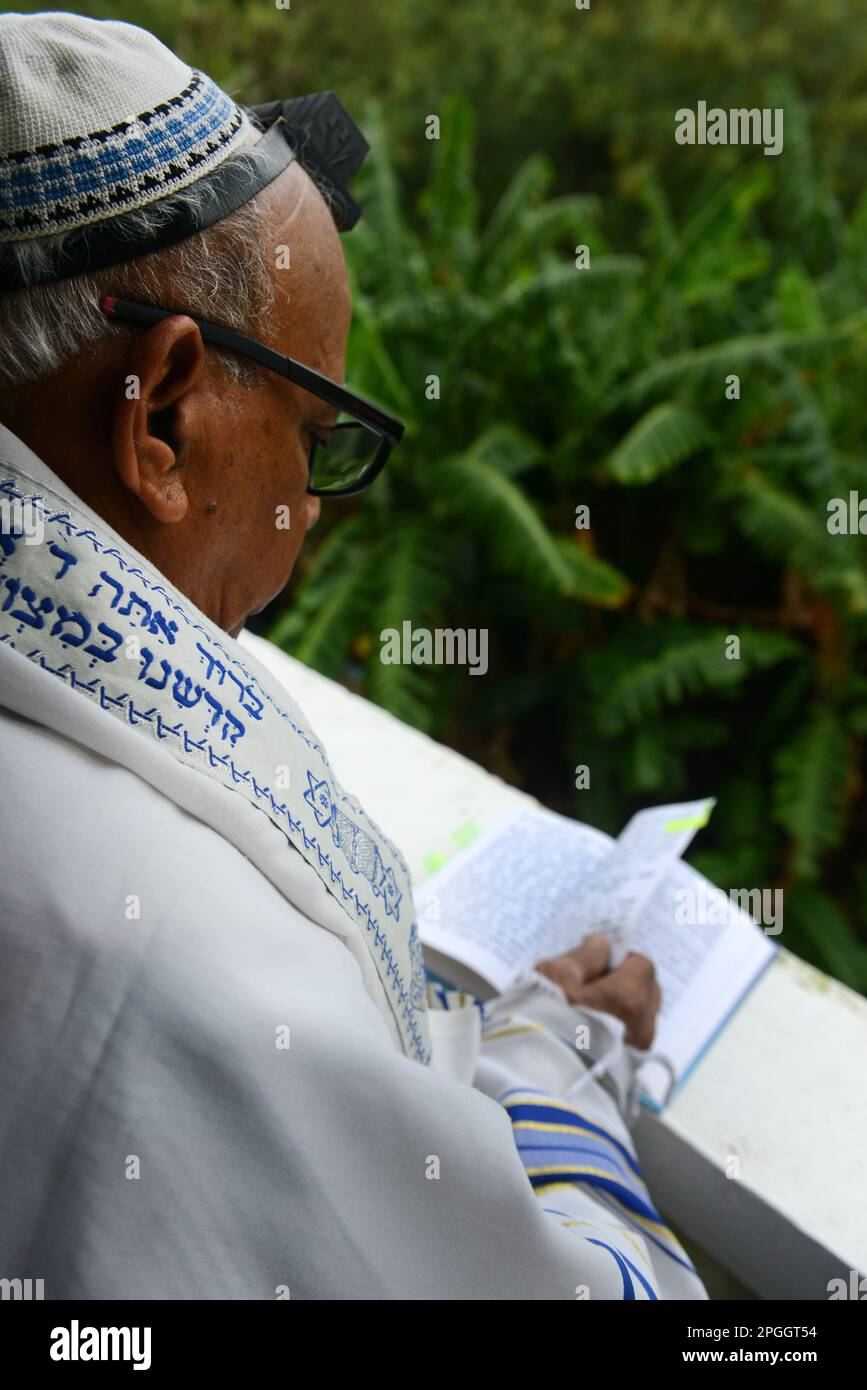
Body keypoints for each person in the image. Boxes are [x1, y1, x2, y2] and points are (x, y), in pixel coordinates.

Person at [0, 11, 706, 1300]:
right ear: (158, 413)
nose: (315, 512)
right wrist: (560, 1069)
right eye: (315, 440)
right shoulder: (176, 959)